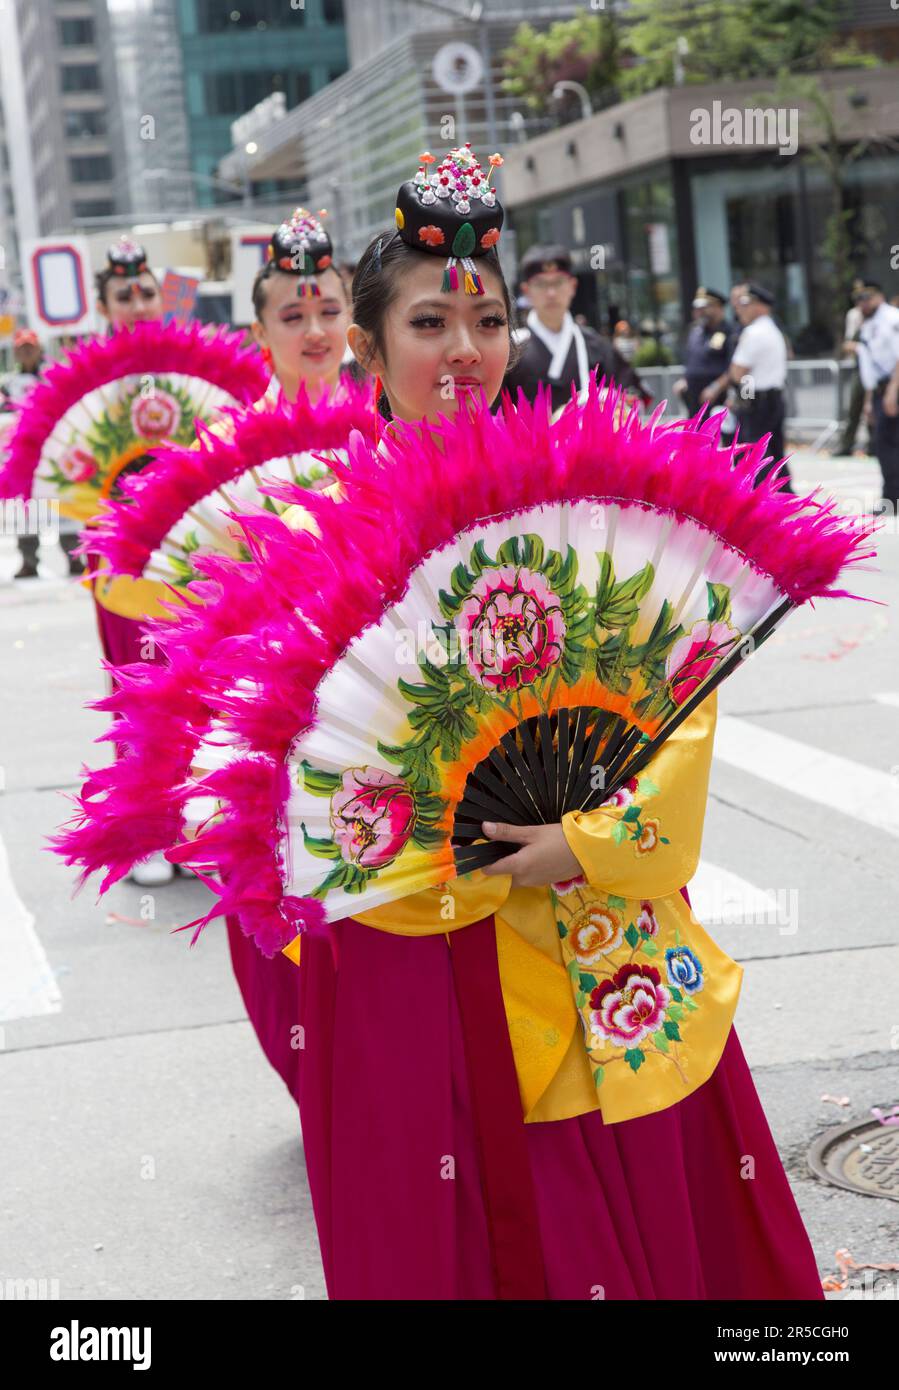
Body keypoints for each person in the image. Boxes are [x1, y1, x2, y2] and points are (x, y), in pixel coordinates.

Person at [279, 147, 822, 1298]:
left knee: (640, 1210)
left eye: (483, 319)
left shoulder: (585, 502)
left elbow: (673, 687)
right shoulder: (312, 536)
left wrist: (585, 839)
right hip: (413, 945)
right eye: (428, 323)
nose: (464, 350)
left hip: (597, 911)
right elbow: (296, 764)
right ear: (368, 353)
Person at [500, 242, 643, 413]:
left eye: (558, 282)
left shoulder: (596, 346)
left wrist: (614, 401)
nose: (551, 293)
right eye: (541, 284)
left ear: (572, 286)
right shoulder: (511, 351)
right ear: (527, 290)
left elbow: (632, 395)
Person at [1, 330, 85, 579]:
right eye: (22, 347)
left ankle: (73, 556)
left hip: (51, 451)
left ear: (39, 349)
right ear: (15, 351)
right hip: (22, 455)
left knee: (61, 501)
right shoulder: (8, 385)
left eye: (31, 346)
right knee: (24, 506)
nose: (27, 351)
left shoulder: (51, 376)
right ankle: (28, 559)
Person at [729, 282, 792, 491]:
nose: (740, 308)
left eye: (745, 303)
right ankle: (784, 493)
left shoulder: (754, 332)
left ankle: (762, 498)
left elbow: (739, 373)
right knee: (774, 451)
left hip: (757, 401)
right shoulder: (773, 329)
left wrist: (742, 397)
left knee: (757, 453)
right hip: (773, 397)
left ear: (761, 307)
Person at [855, 280, 899, 515]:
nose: (863, 303)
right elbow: (870, 366)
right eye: (859, 299)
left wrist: (892, 391)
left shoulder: (892, 319)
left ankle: (892, 498)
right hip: (882, 389)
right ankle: (892, 497)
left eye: (867, 297)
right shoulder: (869, 324)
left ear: (879, 296)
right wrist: (869, 399)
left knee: (887, 443)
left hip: (895, 386)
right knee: (885, 444)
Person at [675, 288, 740, 435]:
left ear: (718, 307)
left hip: (718, 395)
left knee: (720, 438)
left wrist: (716, 387)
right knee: (695, 436)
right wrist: (685, 380)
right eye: (698, 308)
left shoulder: (729, 331)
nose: (700, 311)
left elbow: (734, 367)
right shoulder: (696, 331)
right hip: (693, 394)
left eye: (705, 307)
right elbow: (693, 360)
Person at [95, 237, 164, 332]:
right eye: (125, 299)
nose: (140, 309)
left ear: (162, 298)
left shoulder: (188, 346)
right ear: (103, 309)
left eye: (148, 296)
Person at [836, 278, 870, 458]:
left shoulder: (880, 315)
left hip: (878, 368)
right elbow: (849, 343)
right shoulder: (854, 315)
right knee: (855, 407)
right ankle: (847, 444)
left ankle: (874, 444)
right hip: (861, 366)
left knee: (874, 408)